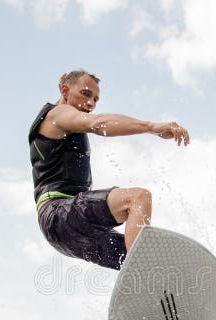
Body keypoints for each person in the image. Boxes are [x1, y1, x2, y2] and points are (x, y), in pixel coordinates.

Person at [29, 69, 190, 270]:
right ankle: (142, 279)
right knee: (138, 199)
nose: (91, 103)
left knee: (140, 256)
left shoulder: (66, 123)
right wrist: (151, 126)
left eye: (96, 99)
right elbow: (98, 123)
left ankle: (151, 290)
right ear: (64, 90)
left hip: (68, 231)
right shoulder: (57, 114)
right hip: (59, 214)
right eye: (86, 94)